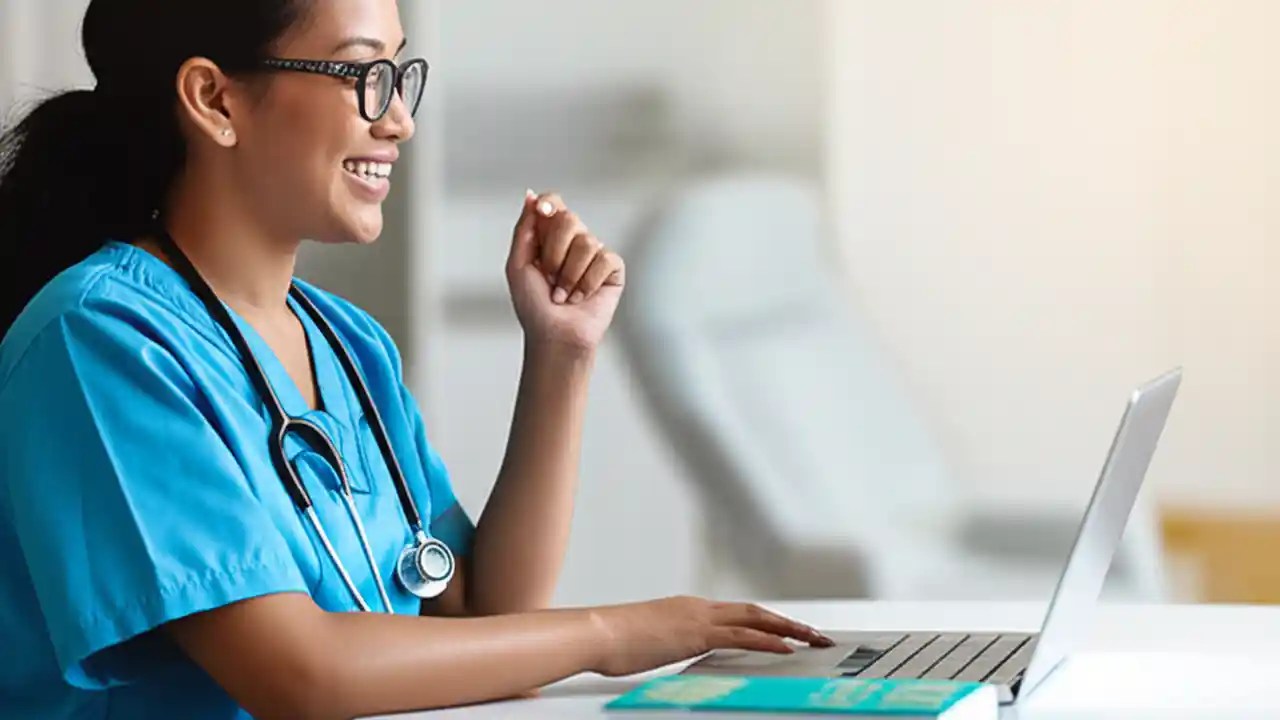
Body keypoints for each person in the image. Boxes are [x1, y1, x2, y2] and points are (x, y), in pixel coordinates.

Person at [0, 1, 836, 718]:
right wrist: (616, 634)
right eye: (363, 74)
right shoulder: (100, 338)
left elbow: (480, 610)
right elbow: (298, 672)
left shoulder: (345, 341)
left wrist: (560, 352)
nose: (397, 118)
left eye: (401, 77)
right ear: (215, 99)